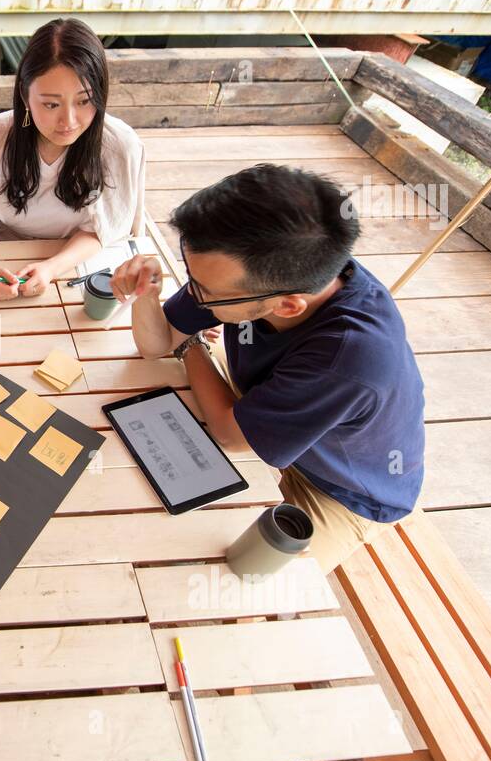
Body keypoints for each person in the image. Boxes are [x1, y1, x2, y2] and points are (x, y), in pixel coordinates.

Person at [111, 163, 426, 574]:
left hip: (340, 489)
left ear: (289, 305)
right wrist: (145, 296)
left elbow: (230, 434)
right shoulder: (251, 268)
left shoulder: (350, 358)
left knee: (243, 579)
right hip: (271, 414)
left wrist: (192, 347)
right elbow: (156, 346)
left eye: (202, 290)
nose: (193, 292)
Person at [0, 18, 148, 301]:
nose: (68, 121)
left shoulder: (120, 146)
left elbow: (101, 228)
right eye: (51, 104)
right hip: (1, 255)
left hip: (75, 267)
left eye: (84, 101)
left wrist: (51, 268)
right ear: (25, 95)